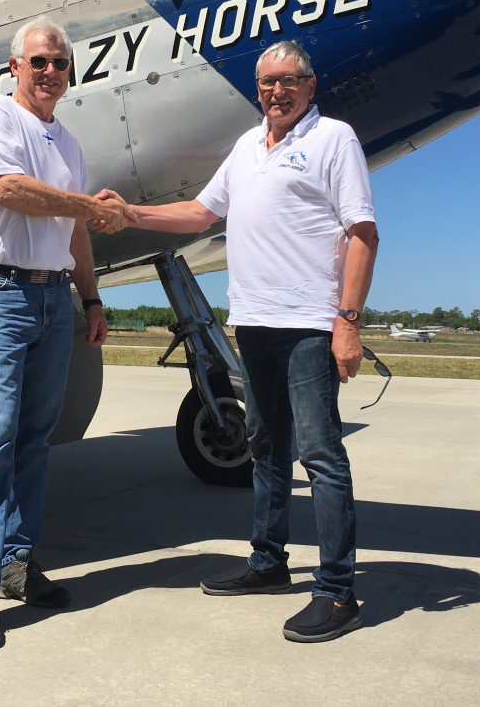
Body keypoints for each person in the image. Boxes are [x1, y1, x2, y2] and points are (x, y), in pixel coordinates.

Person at [100, 40, 378, 643]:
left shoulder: (334, 139)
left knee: (321, 453)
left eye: (288, 80)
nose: (277, 91)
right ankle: (267, 562)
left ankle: (337, 590)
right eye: (267, 82)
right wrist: (131, 215)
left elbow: (362, 233)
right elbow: (200, 214)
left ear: (310, 84)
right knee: (265, 445)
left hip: (308, 324)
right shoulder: (248, 147)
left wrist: (347, 321)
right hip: (253, 323)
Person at [0, 17, 129, 648]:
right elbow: (9, 190)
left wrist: (91, 298)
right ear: (14, 67)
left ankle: (18, 566)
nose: (50, 72)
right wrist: (88, 205)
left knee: (35, 436)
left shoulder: (71, 146)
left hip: (54, 299)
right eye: (38, 62)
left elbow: (74, 233)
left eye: (59, 62)